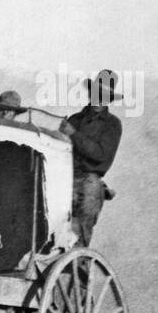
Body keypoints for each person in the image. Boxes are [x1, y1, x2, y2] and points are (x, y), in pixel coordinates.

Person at [60, 69, 123, 247]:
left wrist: (74, 135)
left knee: (81, 230)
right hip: (66, 178)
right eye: (97, 94)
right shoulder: (74, 119)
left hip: (89, 182)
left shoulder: (112, 124)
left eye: (103, 96)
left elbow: (100, 154)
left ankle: (79, 266)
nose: (99, 99)